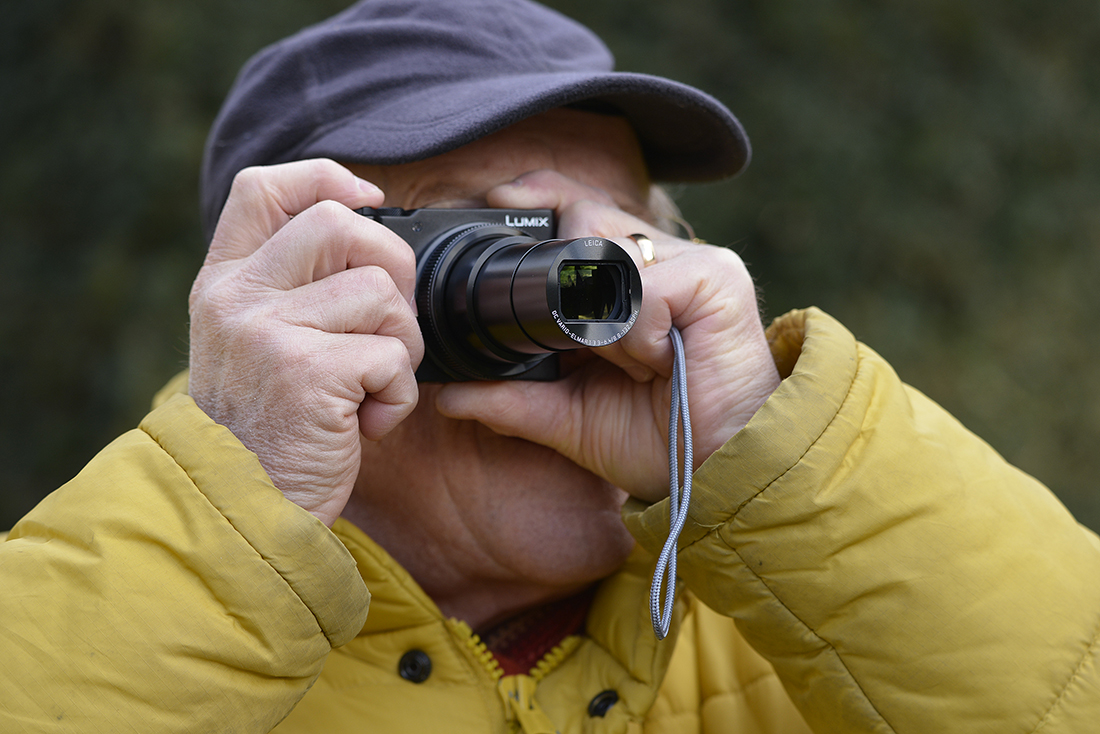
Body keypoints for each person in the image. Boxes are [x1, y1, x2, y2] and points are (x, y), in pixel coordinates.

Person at [2, 1, 1098, 732]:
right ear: (272, 312)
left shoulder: (815, 621)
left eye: (622, 239)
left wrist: (775, 460)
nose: (590, 310)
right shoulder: (141, 627)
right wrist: (235, 505)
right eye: (492, 245)